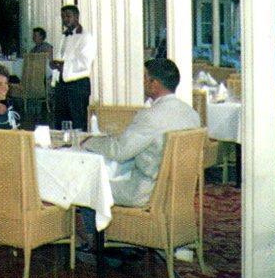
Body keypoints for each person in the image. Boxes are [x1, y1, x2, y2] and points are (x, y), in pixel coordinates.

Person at [82, 58, 201, 207]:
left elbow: (119, 151)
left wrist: (88, 141)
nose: (142, 82)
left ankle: (93, 230)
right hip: (177, 190)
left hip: (145, 192)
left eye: (144, 78)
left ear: (154, 84)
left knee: (86, 185)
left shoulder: (150, 116)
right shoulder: (191, 114)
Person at [52, 4, 95, 131]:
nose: (65, 19)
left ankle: (78, 149)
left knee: (78, 121)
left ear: (76, 17)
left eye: (68, 16)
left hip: (78, 85)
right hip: (62, 84)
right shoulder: (63, 36)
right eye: (63, 17)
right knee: (61, 120)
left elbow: (85, 62)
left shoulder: (86, 37)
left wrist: (63, 66)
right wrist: (54, 67)